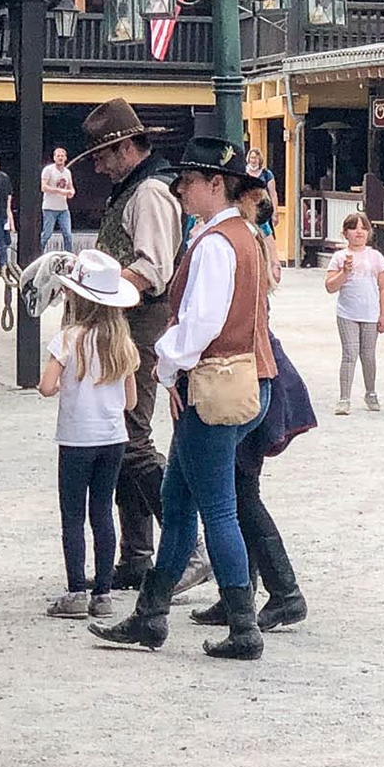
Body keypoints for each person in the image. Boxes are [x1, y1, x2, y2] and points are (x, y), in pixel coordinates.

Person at [90, 137, 275, 661]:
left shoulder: (217, 243)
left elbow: (201, 323)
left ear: (218, 185)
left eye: (191, 180)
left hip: (215, 384)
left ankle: (243, 625)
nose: (182, 188)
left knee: (216, 508)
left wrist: (166, 365)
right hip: (243, 380)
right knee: (177, 500)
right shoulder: (245, 235)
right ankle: (151, 615)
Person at [75, 98, 203, 593]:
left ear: (127, 147)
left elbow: (152, 270)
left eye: (105, 156)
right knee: (122, 439)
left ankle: (189, 544)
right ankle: (136, 556)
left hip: (141, 323)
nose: (101, 166)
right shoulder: (137, 187)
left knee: (130, 437)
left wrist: (85, 281)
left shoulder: (149, 193)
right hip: (127, 324)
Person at [187, 180, 311, 636]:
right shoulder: (250, 240)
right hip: (257, 369)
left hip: (247, 373)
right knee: (237, 492)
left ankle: (283, 593)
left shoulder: (240, 241)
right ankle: (240, 590)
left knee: (240, 492)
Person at [36, 249, 139, 620]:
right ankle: (103, 594)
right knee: (102, 514)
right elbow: (130, 402)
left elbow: (47, 387)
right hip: (113, 437)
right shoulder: (123, 344)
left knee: (73, 515)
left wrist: (58, 383)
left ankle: (76, 590)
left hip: (77, 437)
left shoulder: (67, 339)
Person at [326, 212, 384, 414]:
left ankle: (371, 392)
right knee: (349, 354)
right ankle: (344, 398)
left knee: (368, 355)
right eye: (354, 228)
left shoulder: (375, 257)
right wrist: (344, 272)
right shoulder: (338, 257)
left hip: (370, 313)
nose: (359, 232)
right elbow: (330, 286)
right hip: (347, 313)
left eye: (363, 228)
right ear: (346, 233)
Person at [40, 146, 75, 252]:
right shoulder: (48, 170)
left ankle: (69, 256)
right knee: (46, 234)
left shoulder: (67, 172)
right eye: (58, 156)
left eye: (62, 156)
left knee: (68, 234)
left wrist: (71, 192)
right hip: (49, 208)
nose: (60, 158)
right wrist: (61, 192)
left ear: (65, 158)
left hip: (63, 208)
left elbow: (71, 187)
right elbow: (44, 187)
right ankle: (38, 253)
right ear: (54, 157)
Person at [244, 147, 278, 239]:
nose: (253, 160)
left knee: (266, 235)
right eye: (252, 158)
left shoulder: (267, 174)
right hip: (247, 210)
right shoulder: (243, 173)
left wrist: (275, 212)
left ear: (260, 159)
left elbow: (273, 193)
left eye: (255, 158)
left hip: (263, 212)